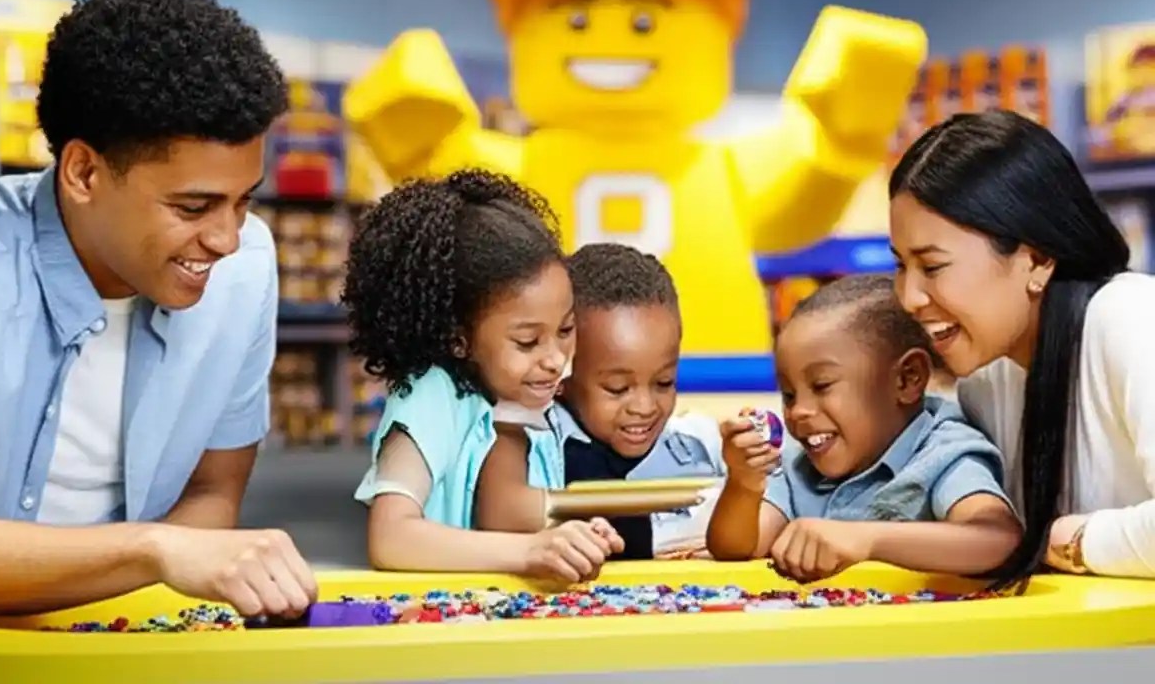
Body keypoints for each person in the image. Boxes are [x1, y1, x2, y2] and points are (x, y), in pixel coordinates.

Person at [0, 0, 317, 617]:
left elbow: (212, 491)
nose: (226, 238)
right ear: (83, 173)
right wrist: (153, 550)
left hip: (127, 638)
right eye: (193, 207)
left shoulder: (247, 269)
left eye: (244, 200)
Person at [889, 109, 1155, 584]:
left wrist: (1069, 541)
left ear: (1036, 259)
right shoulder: (985, 383)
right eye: (900, 266)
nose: (909, 297)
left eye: (932, 267)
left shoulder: (1130, 318)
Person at [341, 168, 624, 583]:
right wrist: (530, 550)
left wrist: (573, 536)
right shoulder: (430, 396)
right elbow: (391, 536)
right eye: (527, 342)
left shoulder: (527, 399)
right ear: (459, 340)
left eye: (565, 330)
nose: (554, 359)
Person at [706, 275, 1022, 583]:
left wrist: (867, 540)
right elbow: (737, 549)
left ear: (907, 379)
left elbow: (997, 539)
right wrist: (743, 483)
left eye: (822, 385)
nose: (799, 410)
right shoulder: (796, 465)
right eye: (789, 395)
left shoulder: (942, 452)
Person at [477, 243, 727, 560]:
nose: (644, 406)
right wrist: (678, 533)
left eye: (664, 382)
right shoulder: (530, 438)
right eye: (617, 388)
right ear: (563, 371)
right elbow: (501, 513)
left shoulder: (696, 445)